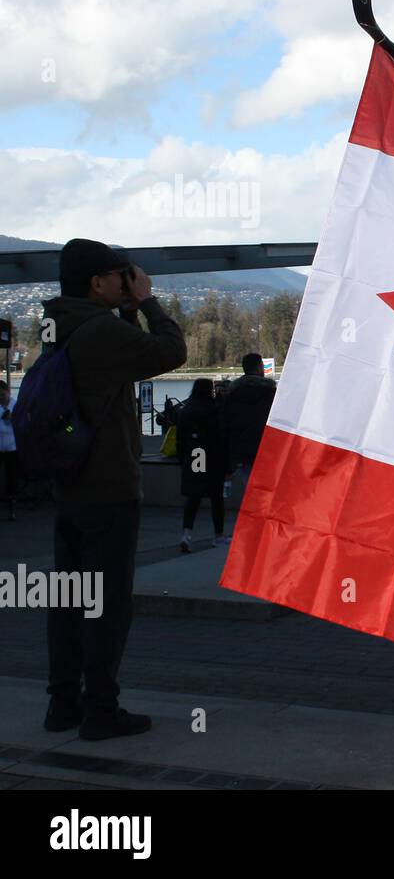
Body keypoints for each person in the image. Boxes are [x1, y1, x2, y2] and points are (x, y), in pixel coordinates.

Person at [42, 239, 187, 740]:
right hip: (108, 489)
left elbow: (118, 366)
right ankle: (101, 710)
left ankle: (62, 705)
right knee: (107, 604)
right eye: (117, 276)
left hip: (69, 485)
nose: (126, 282)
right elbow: (172, 351)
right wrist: (147, 301)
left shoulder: (57, 325)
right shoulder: (99, 331)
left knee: (68, 599)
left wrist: (124, 311)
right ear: (97, 283)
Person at [175, 378, 229, 551]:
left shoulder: (186, 411)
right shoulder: (214, 410)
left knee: (193, 498)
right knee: (216, 498)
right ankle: (218, 535)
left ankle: (186, 534)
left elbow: (180, 440)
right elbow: (221, 437)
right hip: (213, 458)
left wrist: (182, 459)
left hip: (195, 457)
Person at [224, 352, 277, 493]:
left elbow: (226, 424)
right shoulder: (270, 393)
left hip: (241, 451)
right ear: (260, 368)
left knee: (251, 490)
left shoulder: (232, 394)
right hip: (265, 449)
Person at [0, 380, 17, 521]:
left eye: (2, 394)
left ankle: (12, 507)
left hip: (12, 448)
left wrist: (13, 419)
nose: (1, 397)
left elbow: (24, 423)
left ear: (8, 392)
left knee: (12, 478)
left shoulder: (16, 405)